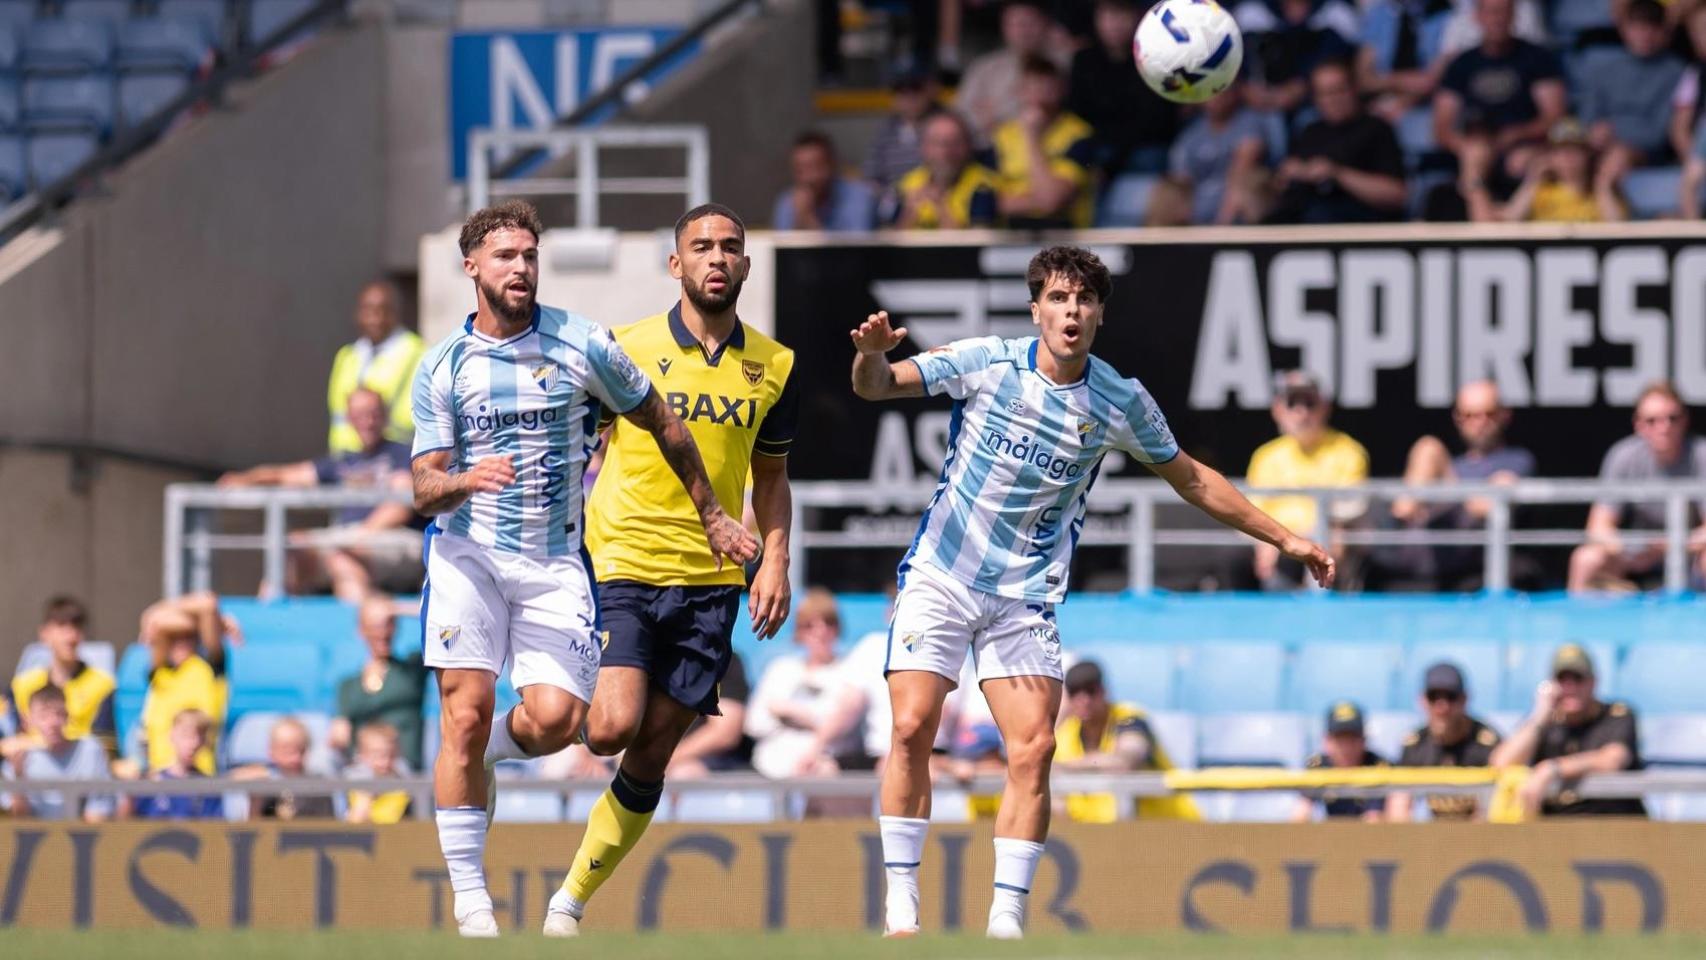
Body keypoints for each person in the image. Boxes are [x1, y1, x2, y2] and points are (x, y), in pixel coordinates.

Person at [849, 245, 1334, 939]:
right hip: (942, 576)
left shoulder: (1119, 399)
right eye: (1057, 298)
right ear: (1036, 308)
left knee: (1036, 748)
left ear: (1099, 314)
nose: (1070, 311)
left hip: (1025, 595)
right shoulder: (987, 361)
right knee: (909, 727)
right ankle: (902, 900)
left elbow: (1193, 480)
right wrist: (869, 355)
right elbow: (876, 385)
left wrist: (1286, 538)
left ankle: (1007, 920)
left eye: (1083, 300)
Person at [410, 200, 756, 938]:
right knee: (461, 711)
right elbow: (422, 486)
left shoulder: (582, 343)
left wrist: (714, 514)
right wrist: (466, 481)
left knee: (567, 722)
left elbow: (662, 419)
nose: (521, 269)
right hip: (467, 554)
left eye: (530, 256)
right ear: (472, 267)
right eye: (505, 257)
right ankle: (473, 903)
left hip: (555, 560)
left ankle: (486, 752)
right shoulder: (444, 365)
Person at [545, 203, 789, 938]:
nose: (718, 257)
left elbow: (772, 478)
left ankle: (570, 901)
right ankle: (529, 723)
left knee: (653, 750)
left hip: (714, 581)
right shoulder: (624, 347)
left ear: (745, 265)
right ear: (675, 264)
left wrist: (774, 559)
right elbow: (578, 444)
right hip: (621, 560)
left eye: (731, 247)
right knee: (611, 727)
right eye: (702, 247)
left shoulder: (775, 365)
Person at [219, 388, 421, 601]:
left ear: (385, 416)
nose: (368, 421)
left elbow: (400, 506)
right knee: (291, 547)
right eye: (360, 415)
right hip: (346, 538)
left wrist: (360, 535)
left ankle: (359, 630)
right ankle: (272, 621)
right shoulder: (342, 462)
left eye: (374, 413)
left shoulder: (403, 454)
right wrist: (245, 480)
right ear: (350, 419)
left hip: (397, 538)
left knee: (343, 558)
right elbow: (286, 475)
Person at [1379, 380, 1537, 591]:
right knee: (1426, 450)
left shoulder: (1517, 460)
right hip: (1425, 571)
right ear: (1458, 418)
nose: (1479, 423)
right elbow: (1411, 511)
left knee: (1429, 448)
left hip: (1476, 569)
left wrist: (1444, 484)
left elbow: (1487, 506)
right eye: (1469, 415)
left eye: (1488, 414)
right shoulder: (1451, 465)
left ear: (1504, 415)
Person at [1568, 381, 1706, 593]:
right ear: (1638, 425)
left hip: (1691, 557)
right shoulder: (1624, 455)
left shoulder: (1701, 455)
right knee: (1586, 559)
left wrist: (1670, 546)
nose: (1664, 427)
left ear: (1685, 420)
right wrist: (1632, 548)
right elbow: (1597, 527)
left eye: (1672, 418)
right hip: (1638, 559)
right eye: (1652, 421)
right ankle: (1582, 625)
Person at [1245, 370, 1369, 591]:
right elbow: (1249, 512)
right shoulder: (1265, 456)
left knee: (1330, 543)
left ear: (1325, 408)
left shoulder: (1349, 451)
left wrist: (1296, 539)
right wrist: (1268, 540)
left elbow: (1349, 510)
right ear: (1278, 410)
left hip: (1324, 544)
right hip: (1277, 549)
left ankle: (1320, 611)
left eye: (1310, 403)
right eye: (1293, 403)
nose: (1302, 413)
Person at [1491, 644, 1645, 817]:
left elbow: (1613, 759)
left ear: (1593, 682)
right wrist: (1540, 714)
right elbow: (1502, 763)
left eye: (1578, 679)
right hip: (1556, 834)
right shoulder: (1544, 722)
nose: (1570, 688)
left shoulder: (1616, 715)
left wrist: (1552, 769)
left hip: (1614, 827)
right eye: (1562, 680)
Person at [1432, 0, 1567, 193]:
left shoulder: (1538, 59)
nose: (1497, 19)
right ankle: (1481, 215)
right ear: (1477, 17)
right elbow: (1441, 127)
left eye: (1503, 12)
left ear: (1514, 16)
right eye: (1491, 12)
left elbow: (1555, 117)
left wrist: (1515, 135)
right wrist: (1466, 146)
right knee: (1476, 156)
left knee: (1520, 162)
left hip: (1526, 146)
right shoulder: (1461, 65)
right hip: (1476, 148)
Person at [1054, 661, 1199, 822]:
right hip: (1105, 837)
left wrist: (1067, 766)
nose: (1084, 700)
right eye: (1075, 693)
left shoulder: (1129, 719)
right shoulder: (1065, 734)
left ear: (1103, 691)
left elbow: (1124, 762)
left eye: (1090, 691)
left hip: (1174, 829)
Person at [1266, 59, 1408, 224]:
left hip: (1359, 223)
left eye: (1338, 91)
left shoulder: (1377, 129)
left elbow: (1397, 195)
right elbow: (1282, 185)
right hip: (1305, 217)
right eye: (1324, 93)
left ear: (1354, 89)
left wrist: (1336, 174)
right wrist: (1287, 176)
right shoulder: (1310, 132)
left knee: (1320, 215)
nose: (1332, 100)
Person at [745, 589, 860, 778]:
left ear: (837, 628)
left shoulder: (850, 671)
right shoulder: (780, 669)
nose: (820, 631)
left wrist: (794, 714)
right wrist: (815, 721)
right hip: (769, 769)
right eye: (809, 625)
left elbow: (849, 734)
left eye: (828, 623)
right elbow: (754, 724)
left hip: (822, 770)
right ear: (799, 631)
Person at [1575, 0, 1686, 181]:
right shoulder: (1604, 67)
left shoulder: (1677, 72)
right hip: (1598, 145)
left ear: (1665, 33)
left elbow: (1658, 134)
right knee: (1564, 158)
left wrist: (1614, 130)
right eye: (1638, 28)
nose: (1644, 36)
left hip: (1648, 154)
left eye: (1651, 29)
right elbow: (1588, 116)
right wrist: (1593, 132)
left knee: (1617, 159)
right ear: (1624, 30)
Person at [1067, 0, 1178, 175]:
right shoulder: (1084, 60)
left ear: (1136, 17)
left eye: (1122, 15)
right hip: (1097, 146)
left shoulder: (1154, 58)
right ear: (1097, 20)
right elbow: (1077, 111)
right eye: (1108, 16)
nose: (1115, 24)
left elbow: (1156, 119)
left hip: (1142, 149)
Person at [1385, 662, 1501, 822]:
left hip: (1481, 838)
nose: (1442, 707)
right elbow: (1399, 806)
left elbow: (1496, 807)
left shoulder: (1485, 743)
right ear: (1423, 700)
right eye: (1434, 697)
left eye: (1450, 697)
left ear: (1464, 699)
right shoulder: (1415, 745)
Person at [993, 56, 1098, 229]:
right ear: (1019, 91)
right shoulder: (1002, 136)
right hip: (1010, 235)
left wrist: (1031, 137)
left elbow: (1052, 202)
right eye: (1032, 88)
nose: (1039, 95)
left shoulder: (1079, 135)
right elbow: (989, 202)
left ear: (1061, 90)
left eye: (1047, 88)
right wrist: (1038, 200)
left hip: (1065, 238)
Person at [137, 592, 235, 776]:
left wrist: (214, 623)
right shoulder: (160, 673)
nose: (181, 643)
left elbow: (208, 605)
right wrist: (219, 623)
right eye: (173, 638)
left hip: (198, 776)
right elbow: (152, 619)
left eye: (189, 636)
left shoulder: (208, 668)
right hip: (159, 776)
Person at [330, 595, 428, 770]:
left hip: (402, 769)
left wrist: (397, 608)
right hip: (362, 772)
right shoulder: (348, 685)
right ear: (361, 630)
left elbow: (445, 623)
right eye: (375, 626)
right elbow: (340, 734)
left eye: (389, 625)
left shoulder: (412, 670)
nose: (383, 632)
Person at [1462, 117, 1626, 222]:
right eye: (1560, 152)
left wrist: (1603, 185)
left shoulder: (1601, 192)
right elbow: (1511, 220)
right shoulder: (1540, 191)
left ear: (1587, 155)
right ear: (1550, 157)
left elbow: (1617, 226)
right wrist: (1533, 181)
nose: (1568, 158)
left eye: (1575, 150)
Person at [1157, 82, 1276, 225]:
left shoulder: (1249, 122)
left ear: (1234, 94)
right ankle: (1157, 242)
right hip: (1197, 203)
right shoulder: (1192, 133)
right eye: (1210, 93)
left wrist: (1220, 225)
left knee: (1242, 186)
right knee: (1167, 192)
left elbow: (1242, 169)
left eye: (1221, 91)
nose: (1216, 98)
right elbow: (1180, 178)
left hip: (1232, 200)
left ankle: (1223, 235)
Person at [327, 280, 424, 455]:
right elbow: (338, 415)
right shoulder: (347, 356)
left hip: (393, 457)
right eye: (368, 311)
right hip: (345, 459)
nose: (375, 318)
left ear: (395, 313)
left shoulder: (416, 352)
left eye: (382, 310)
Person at [11, 596, 115, 757]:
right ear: (44, 633)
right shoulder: (22, 684)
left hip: (81, 771)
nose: (70, 636)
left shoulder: (103, 685)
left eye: (76, 627)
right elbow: (13, 739)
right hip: (30, 771)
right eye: (62, 626)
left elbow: (106, 746)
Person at [0, 684, 115, 822]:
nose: (52, 722)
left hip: (81, 837)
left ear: (68, 716)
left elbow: (98, 811)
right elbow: (19, 818)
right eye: (43, 716)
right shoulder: (19, 755)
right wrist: (18, 776)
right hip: (35, 839)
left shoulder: (89, 750)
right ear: (28, 720)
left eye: (59, 714)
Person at [1237, 0, 1361, 114]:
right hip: (1257, 105)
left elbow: (1345, 67)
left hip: (1314, 104)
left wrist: (1302, 86)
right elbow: (1234, 68)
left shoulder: (1336, 12)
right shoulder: (1250, 13)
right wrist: (1246, 89)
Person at [958, 0, 1056, 141]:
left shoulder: (1062, 63)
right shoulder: (984, 67)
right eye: (1016, 24)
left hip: (1051, 145)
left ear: (1045, 23)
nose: (1024, 31)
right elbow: (961, 115)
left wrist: (996, 115)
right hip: (989, 148)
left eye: (1030, 23)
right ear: (1004, 27)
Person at [886, 111, 1003, 229]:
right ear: (923, 147)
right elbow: (887, 237)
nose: (946, 152)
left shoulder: (984, 185)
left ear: (968, 146)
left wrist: (941, 209)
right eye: (937, 143)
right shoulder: (907, 184)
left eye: (955, 143)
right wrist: (908, 214)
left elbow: (976, 241)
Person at [1356, 0, 1455, 123]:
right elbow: (1364, 79)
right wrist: (1400, 80)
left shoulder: (1446, 15)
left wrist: (1400, 104)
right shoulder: (1379, 13)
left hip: (1425, 109)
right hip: (1379, 104)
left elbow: (1431, 80)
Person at [663, 651, 755, 778]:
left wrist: (661, 761)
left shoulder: (720, 659)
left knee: (685, 773)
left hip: (709, 764)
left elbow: (725, 733)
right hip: (648, 760)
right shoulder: (639, 661)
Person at [1293, 701, 1389, 822]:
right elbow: (1301, 813)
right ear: (1326, 741)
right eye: (1339, 740)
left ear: (1364, 740)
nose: (1346, 748)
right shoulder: (1317, 766)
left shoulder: (1378, 766)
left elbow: (1374, 819)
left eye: (1352, 739)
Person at [230, 716, 336, 820]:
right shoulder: (265, 786)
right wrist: (255, 800)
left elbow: (327, 831)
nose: (295, 757)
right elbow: (254, 832)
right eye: (287, 750)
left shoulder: (318, 788)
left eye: (300, 749)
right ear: (272, 750)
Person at [771, 131, 878, 232]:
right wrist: (799, 220)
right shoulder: (787, 202)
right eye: (800, 170)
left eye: (815, 168)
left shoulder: (859, 197)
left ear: (832, 165)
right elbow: (779, 248)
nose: (808, 178)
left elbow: (858, 248)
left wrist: (808, 220)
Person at [132, 709, 224, 820]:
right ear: (172, 735)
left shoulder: (208, 788)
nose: (194, 743)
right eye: (186, 735)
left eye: (200, 736)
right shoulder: (151, 783)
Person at [864, 71, 938, 192]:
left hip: (934, 197)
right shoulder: (885, 130)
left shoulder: (943, 126)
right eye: (902, 92)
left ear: (929, 93)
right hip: (892, 199)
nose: (910, 98)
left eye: (916, 90)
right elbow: (871, 175)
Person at [344, 722, 413, 825]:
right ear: (362, 755)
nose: (385, 762)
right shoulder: (353, 783)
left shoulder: (403, 784)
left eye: (391, 755)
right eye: (377, 755)